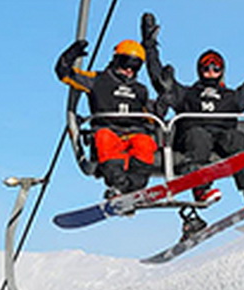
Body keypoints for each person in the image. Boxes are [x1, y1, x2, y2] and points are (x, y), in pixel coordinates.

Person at [141, 12, 244, 232]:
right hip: (195, 137)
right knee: (198, 136)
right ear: (200, 70)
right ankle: (201, 187)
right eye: (206, 68)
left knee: (236, 138)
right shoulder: (187, 94)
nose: (211, 72)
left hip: (223, 136)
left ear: (222, 71)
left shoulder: (231, 97)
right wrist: (149, 46)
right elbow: (161, 81)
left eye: (216, 68)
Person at [54, 36, 165, 195]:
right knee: (105, 139)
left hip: (134, 132)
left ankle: (135, 187)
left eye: (136, 66)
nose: (129, 70)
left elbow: (149, 115)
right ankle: (119, 184)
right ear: (117, 60)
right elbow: (64, 74)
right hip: (108, 130)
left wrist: (162, 105)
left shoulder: (140, 90)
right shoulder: (97, 80)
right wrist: (70, 55)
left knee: (145, 143)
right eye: (126, 63)